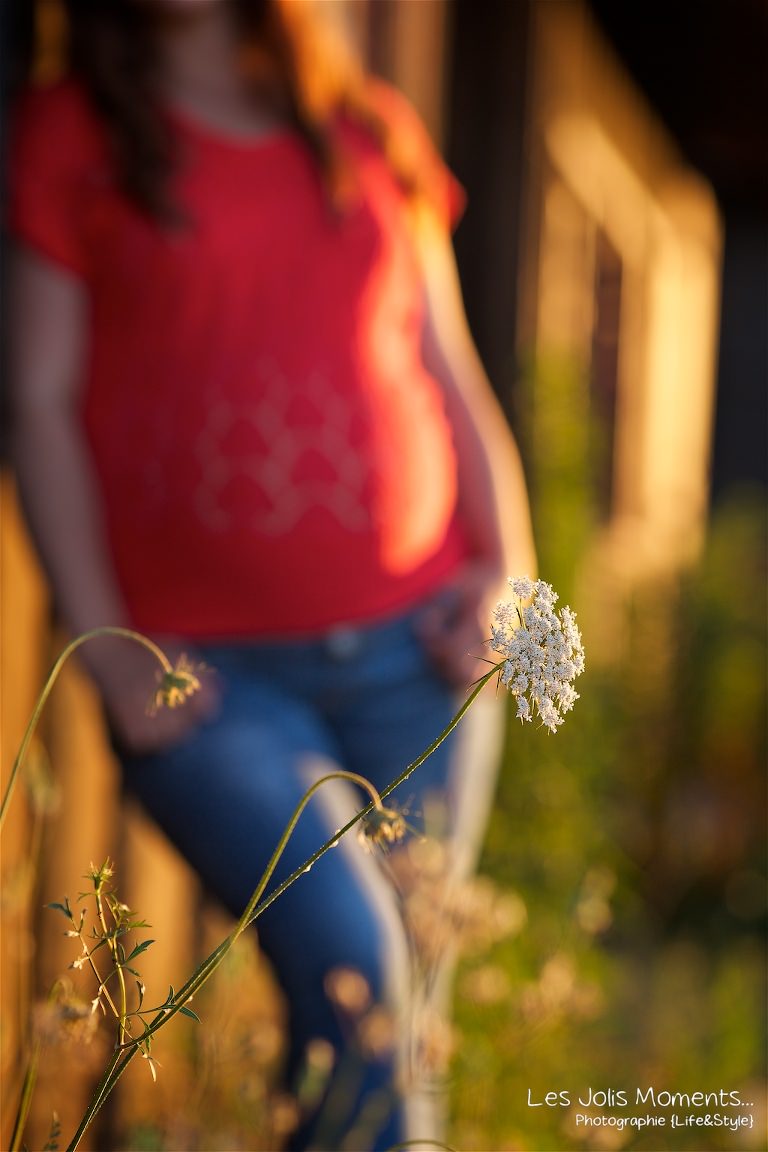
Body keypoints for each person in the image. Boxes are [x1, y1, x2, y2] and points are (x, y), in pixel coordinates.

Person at [8, 1, 537, 1148]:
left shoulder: (365, 131)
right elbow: (37, 402)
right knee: (358, 969)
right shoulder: (72, 135)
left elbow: (448, 373)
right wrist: (106, 648)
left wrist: (506, 574)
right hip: (210, 682)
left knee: (402, 1020)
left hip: (417, 652)